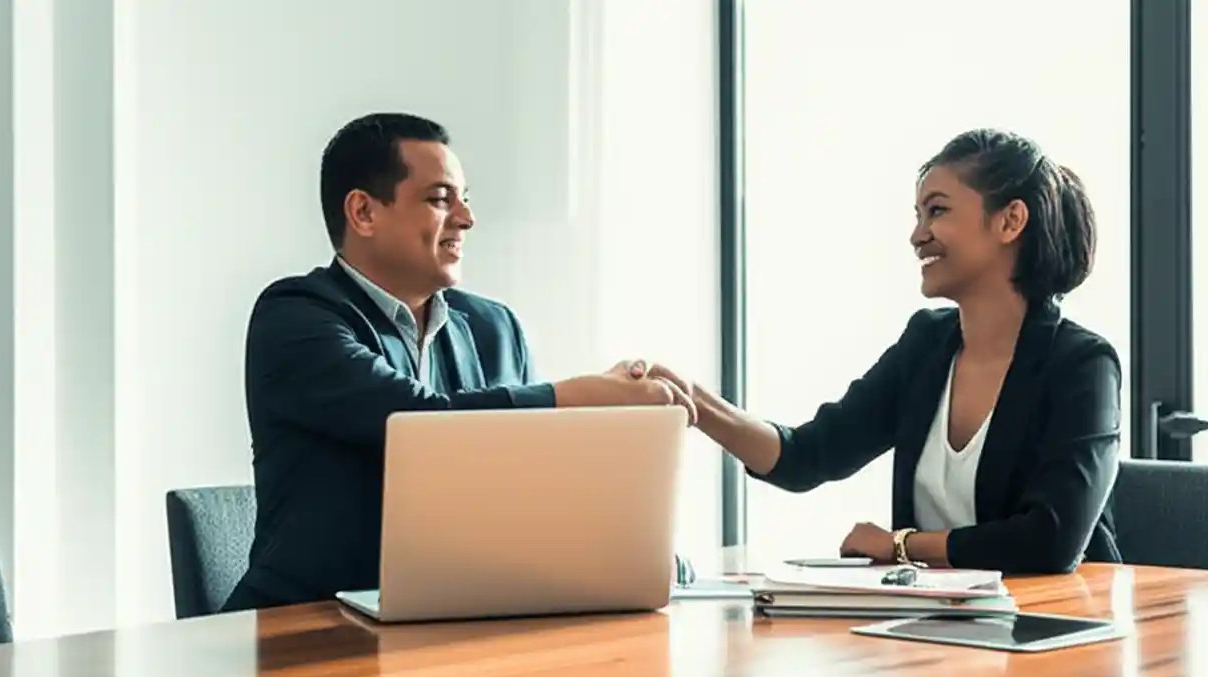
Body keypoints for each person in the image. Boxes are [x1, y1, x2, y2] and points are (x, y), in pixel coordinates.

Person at [222, 113, 693, 611]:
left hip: (456, 622)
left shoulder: (494, 328)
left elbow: (532, 486)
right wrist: (574, 398)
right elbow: (418, 421)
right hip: (307, 632)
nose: (466, 219)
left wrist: (648, 555)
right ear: (363, 212)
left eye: (465, 200)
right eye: (440, 199)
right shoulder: (293, 316)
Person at [641, 129, 1121, 573]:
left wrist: (901, 545)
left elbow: (1050, 543)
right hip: (939, 632)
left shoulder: (1081, 365)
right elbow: (807, 456)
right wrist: (696, 405)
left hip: (1058, 629)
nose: (917, 235)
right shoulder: (927, 346)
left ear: (1010, 220)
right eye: (918, 216)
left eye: (937, 211)